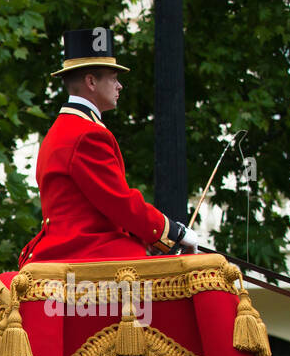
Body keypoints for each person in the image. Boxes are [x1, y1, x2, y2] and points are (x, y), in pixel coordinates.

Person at [18, 27, 201, 267]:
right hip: (87, 250)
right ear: (91, 81)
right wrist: (174, 232)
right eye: (113, 78)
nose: (119, 86)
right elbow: (120, 203)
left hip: (73, 246)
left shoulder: (61, 130)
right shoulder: (87, 133)